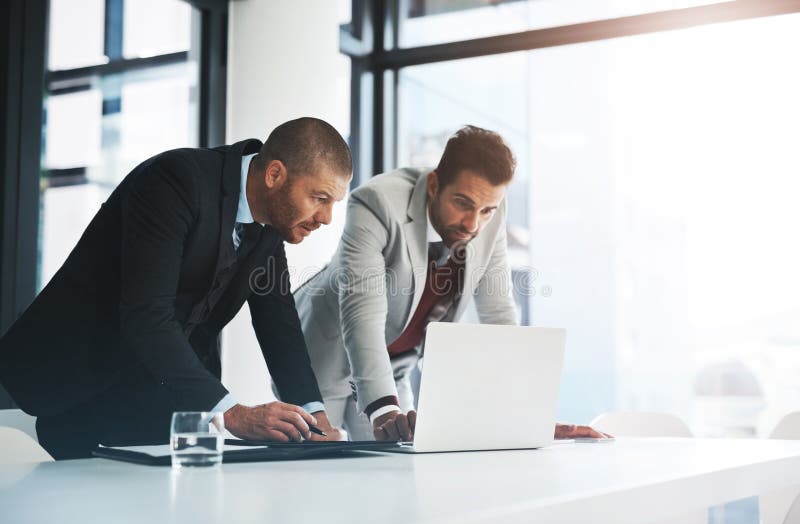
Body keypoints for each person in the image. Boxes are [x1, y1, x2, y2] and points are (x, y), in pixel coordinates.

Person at [0, 117, 351, 459]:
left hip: (157, 406)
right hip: (75, 389)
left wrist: (315, 419)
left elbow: (280, 327)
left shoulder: (270, 226)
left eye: (333, 203)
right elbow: (146, 316)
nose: (326, 218)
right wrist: (233, 414)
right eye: (319, 198)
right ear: (274, 175)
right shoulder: (175, 180)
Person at [294, 126, 607, 441]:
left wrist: (527, 417)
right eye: (463, 204)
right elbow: (363, 315)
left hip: (392, 364)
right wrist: (385, 412)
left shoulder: (490, 215)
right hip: (324, 356)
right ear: (434, 185)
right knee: (320, 460)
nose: (473, 223)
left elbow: (499, 315)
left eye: (486, 210)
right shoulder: (376, 203)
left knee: (398, 460)